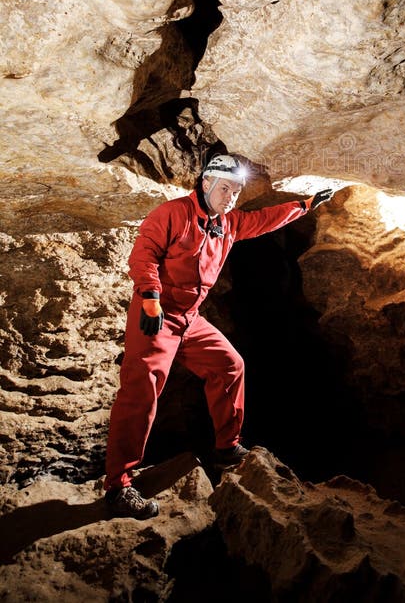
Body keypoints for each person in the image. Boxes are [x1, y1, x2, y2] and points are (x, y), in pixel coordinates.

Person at [104, 154, 334, 519]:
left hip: (189, 319)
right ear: (206, 183)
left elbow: (264, 220)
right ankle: (118, 485)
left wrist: (303, 205)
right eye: (225, 188)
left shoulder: (228, 223)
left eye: (236, 191)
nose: (230, 197)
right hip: (157, 314)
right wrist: (149, 297)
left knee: (229, 365)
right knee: (140, 392)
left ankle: (226, 446)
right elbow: (143, 254)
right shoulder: (173, 213)